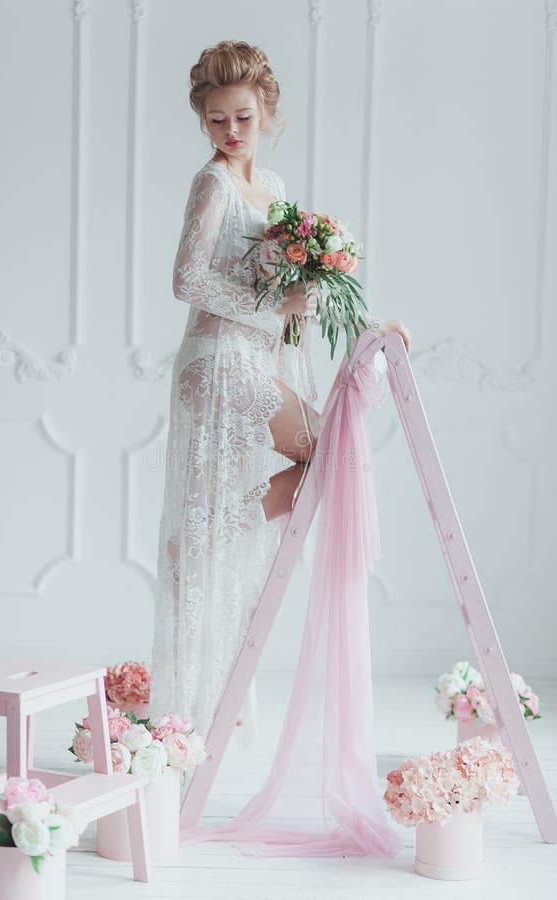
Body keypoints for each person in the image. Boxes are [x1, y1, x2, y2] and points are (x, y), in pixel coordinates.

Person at [150, 40, 411, 746]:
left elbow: (304, 292)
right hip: (216, 360)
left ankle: (219, 534)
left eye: (242, 117)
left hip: (253, 355)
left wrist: (365, 318)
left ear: (266, 111)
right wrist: (275, 310)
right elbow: (188, 281)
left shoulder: (276, 185)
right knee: (331, 449)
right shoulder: (214, 185)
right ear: (203, 122)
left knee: (327, 456)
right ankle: (213, 541)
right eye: (216, 121)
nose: (231, 133)